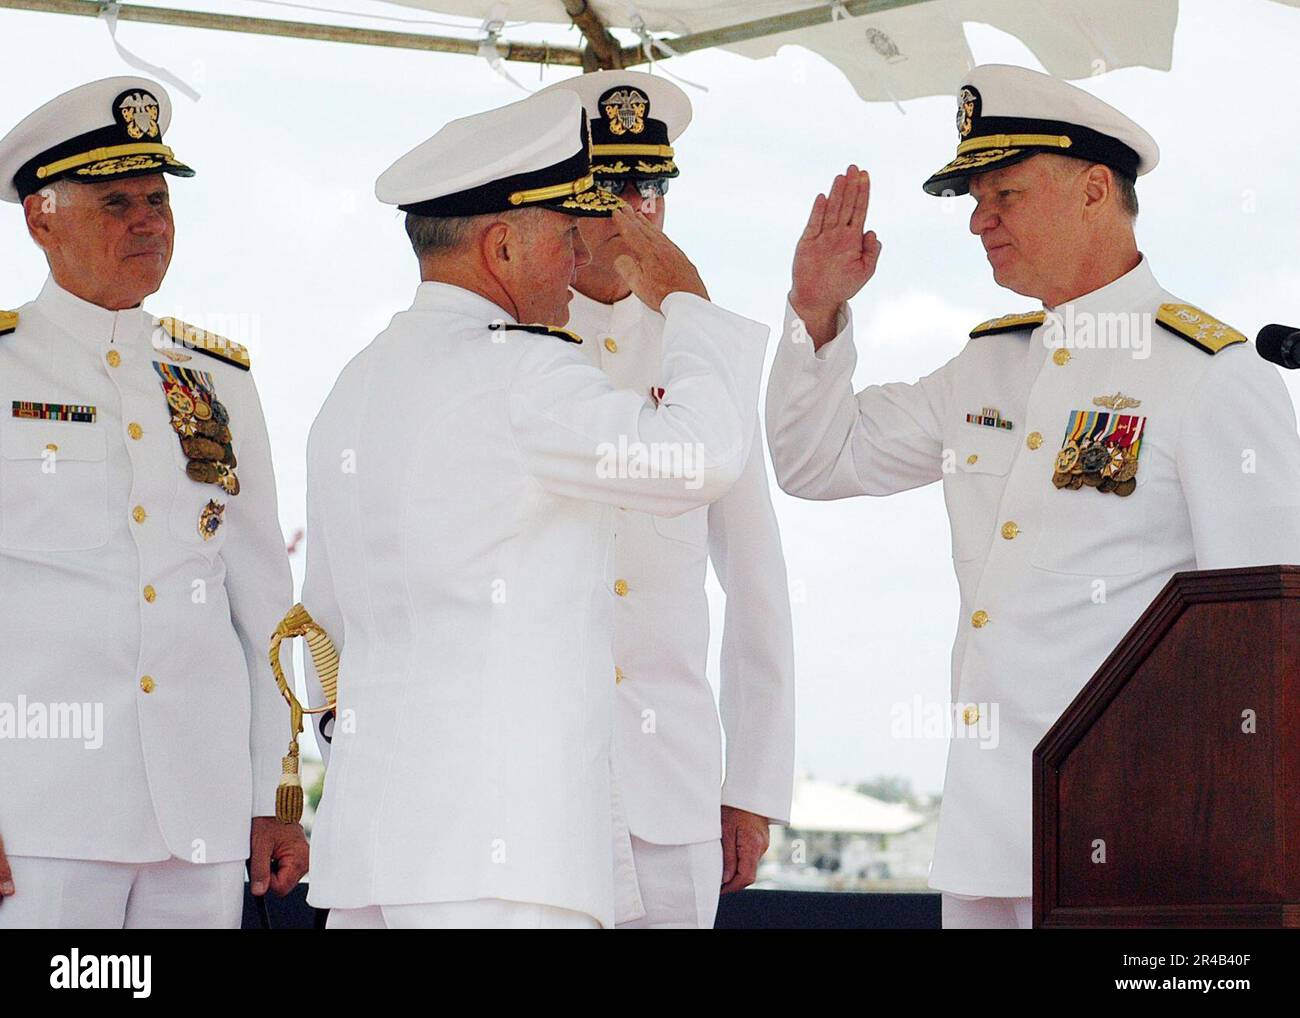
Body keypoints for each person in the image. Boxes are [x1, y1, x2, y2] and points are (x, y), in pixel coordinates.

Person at [765, 64, 1300, 929]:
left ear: (1095, 191)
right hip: (989, 835)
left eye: (1005, 192)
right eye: (975, 198)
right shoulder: (987, 365)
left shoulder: (1210, 376)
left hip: (1141, 844)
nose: (981, 220)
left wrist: (1247, 861)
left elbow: (1268, 645)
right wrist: (813, 314)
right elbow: (816, 462)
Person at [299, 89, 770, 929]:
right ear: (503, 243)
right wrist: (690, 309)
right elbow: (699, 456)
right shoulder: (520, 374)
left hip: (376, 851)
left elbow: (326, 623)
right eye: (568, 232)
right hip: (502, 861)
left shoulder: (357, 383)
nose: (583, 252)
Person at [0, 77, 306, 928]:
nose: (148, 221)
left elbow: (264, 607)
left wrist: (273, 795)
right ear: (41, 217)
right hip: (41, 815)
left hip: (199, 820)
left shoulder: (218, 380)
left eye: (158, 199)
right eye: (116, 202)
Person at [537, 70, 795, 929]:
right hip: (538, 783)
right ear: (560, 201)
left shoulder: (703, 358)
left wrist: (752, 786)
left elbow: (756, 581)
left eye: (650, 187)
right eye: (610, 188)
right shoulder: (515, 350)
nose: (634, 210)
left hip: (673, 786)